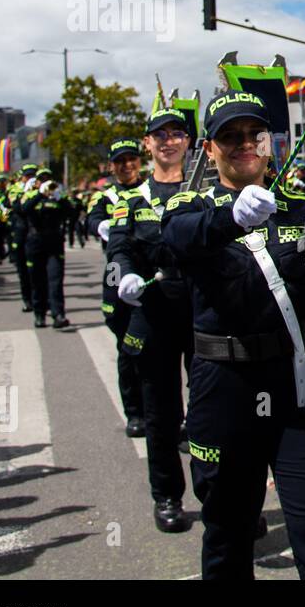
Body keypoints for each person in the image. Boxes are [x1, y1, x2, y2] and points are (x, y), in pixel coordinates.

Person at [161, 90, 305, 580]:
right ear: (209, 149)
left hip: (298, 383)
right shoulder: (192, 204)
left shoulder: (303, 206)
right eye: (230, 136)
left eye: (255, 134)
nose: (245, 144)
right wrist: (231, 217)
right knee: (228, 533)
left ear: (272, 142)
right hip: (224, 386)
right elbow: (179, 239)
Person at [107, 111, 196, 533]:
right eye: (159, 135)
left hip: (205, 316)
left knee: (212, 415)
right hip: (155, 316)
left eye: (176, 133)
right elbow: (120, 246)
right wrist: (124, 273)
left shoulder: (205, 190)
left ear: (189, 142)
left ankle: (226, 499)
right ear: (147, 144)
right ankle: (167, 497)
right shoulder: (133, 197)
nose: (168, 141)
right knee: (161, 416)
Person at [90, 140, 149, 436]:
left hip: (151, 277)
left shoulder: (151, 190)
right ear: (112, 166)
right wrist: (110, 228)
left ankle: (169, 415)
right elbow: (94, 221)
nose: (127, 165)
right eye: (120, 161)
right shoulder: (107, 196)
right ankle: (135, 413)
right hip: (119, 275)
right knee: (128, 349)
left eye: (131, 160)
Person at [18, 168, 72, 328]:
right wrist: (40, 194)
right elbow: (23, 210)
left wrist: (60, 198)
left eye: (48, 178)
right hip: (35, 241)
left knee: (55, 279)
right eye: (42, 179)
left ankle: (58, 314)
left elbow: (70, 212)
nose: (46, 181)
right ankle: (39, 314)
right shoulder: (30, 195)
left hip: (54, 241)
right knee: (37, 280)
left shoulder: (58, 196)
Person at [8, 164, 38, 311]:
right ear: (22, 177)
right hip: (21, 232)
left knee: (38, 270)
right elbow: (18, 208)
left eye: (33, 175)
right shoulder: (15, 190)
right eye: (28, 176)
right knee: (23, 270)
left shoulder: (42, 188)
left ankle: (39, 299)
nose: (31, 178)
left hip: (37, 233)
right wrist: (27, 192)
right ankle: (27, 299)